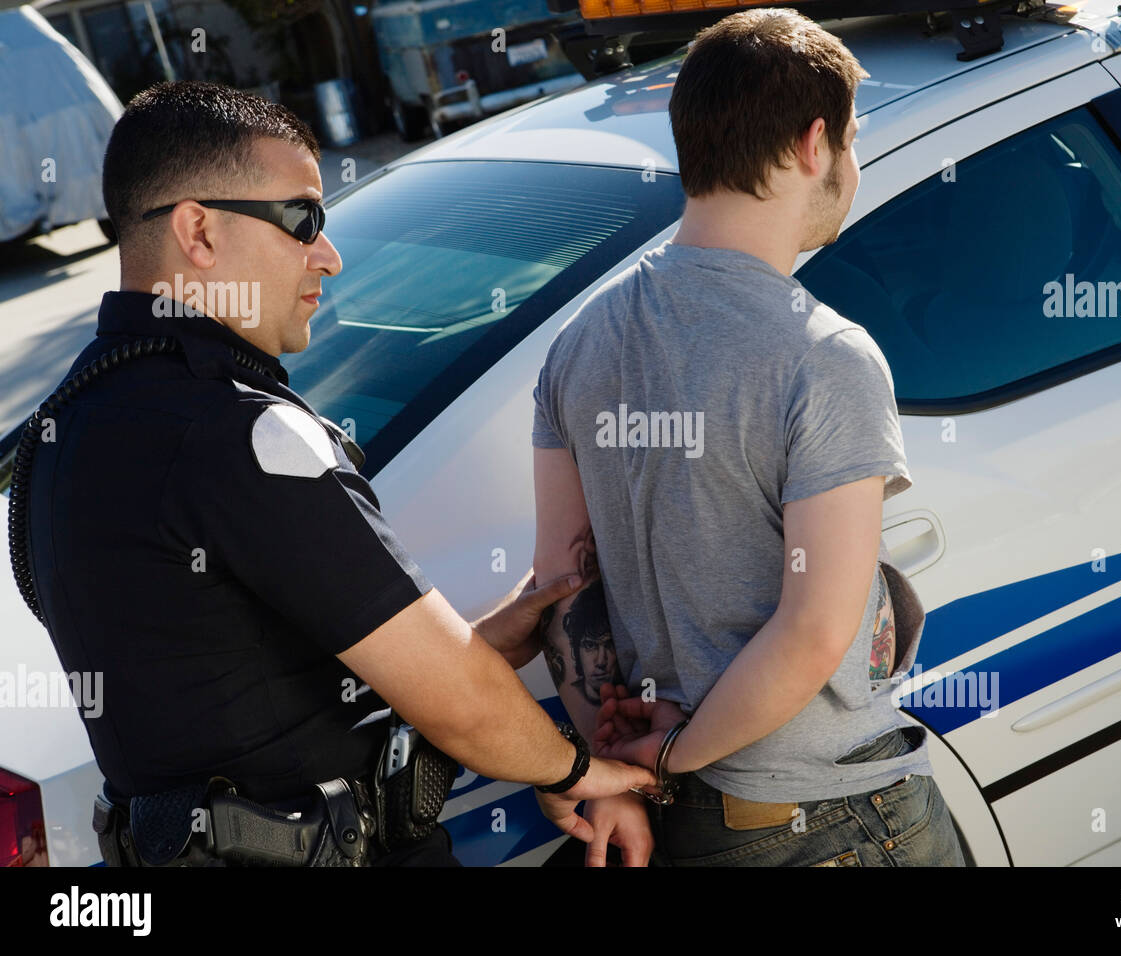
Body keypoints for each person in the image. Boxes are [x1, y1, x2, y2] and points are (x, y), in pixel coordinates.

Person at [8, 81, 653, 867]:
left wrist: (483, 644)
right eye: (303, 219)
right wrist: (581, 769)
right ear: (199, 232)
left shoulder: (64, 422)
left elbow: (232, 677)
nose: (331, 255)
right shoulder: (237, 431)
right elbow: (457, 703)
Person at [531, 9, 965, 866]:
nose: (851, 163)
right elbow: (813, 632)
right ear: (814, 145)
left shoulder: (577, 345)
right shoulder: (825, 355)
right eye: (849, 140)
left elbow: (560, 588)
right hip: (827, 812)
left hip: (689, 823)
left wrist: (619, 770)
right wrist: (666, 756)